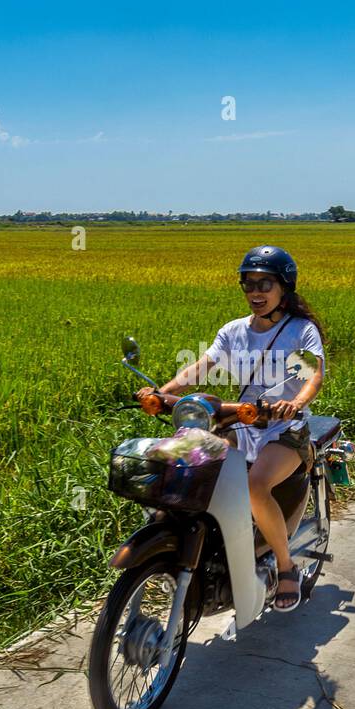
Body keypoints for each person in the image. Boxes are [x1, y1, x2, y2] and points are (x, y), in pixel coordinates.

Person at [137, 245, 326, 612]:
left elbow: (311, 374)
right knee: (179, 464)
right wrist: (164, 392)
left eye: (265, 284)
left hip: (283, 428)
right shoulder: (234, 331)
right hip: (242, 419)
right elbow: (201, 367)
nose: (256, 292)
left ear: (284, 287)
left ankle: (286, 568)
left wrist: (295, 404)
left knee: (256, 486)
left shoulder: (299, 331)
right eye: (248, 284)